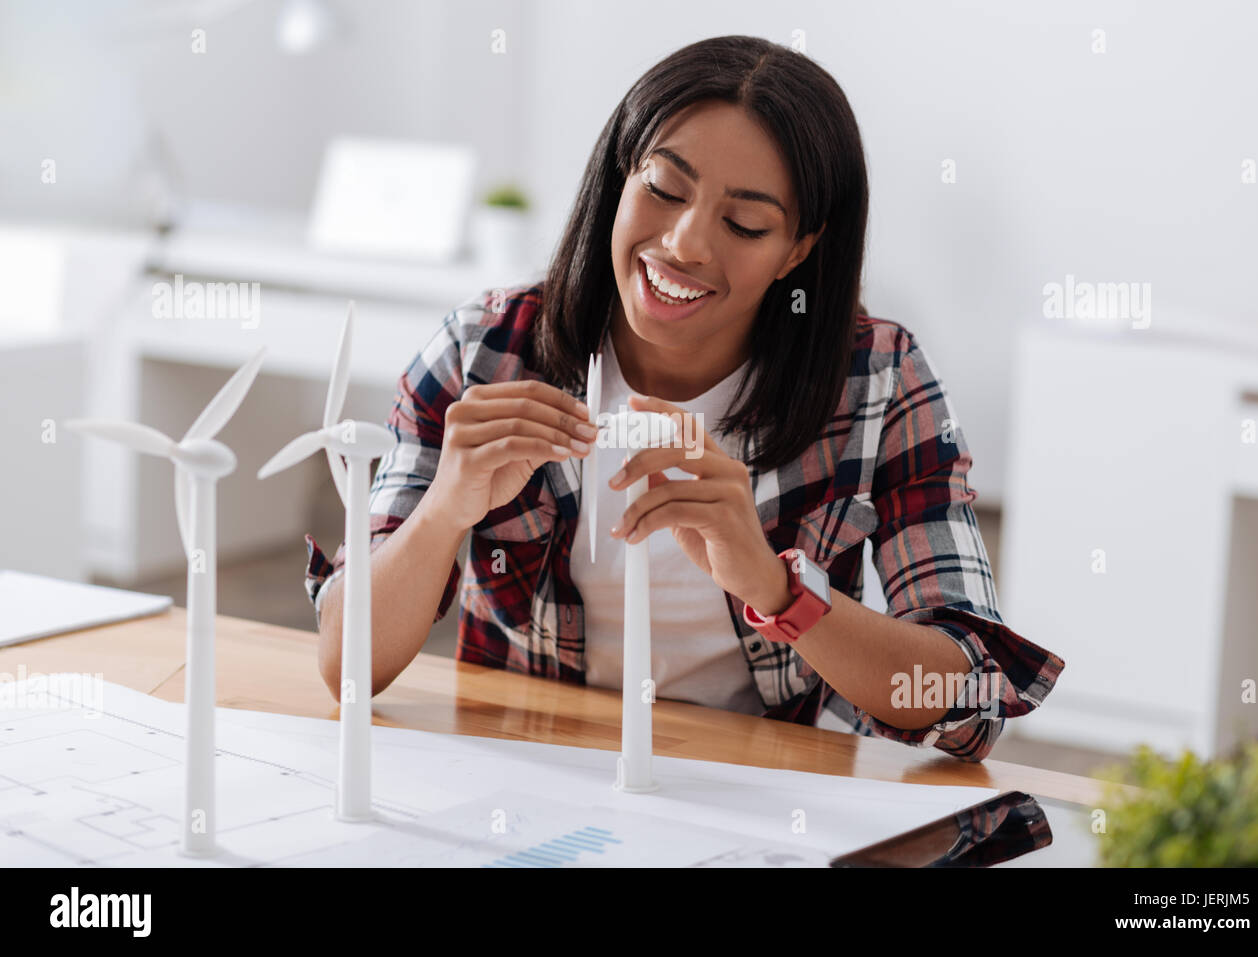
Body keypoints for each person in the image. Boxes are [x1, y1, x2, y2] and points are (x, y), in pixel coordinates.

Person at [305, 35, 1063, 763]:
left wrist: (779, 588)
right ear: (619, 177)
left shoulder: (878, 380)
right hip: (525, 779)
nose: (686, 244)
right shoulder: (486, 349)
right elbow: (348, 669)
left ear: (798, 250)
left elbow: (965, 698)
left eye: (745, 223)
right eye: (664, 189)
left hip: (764, 797)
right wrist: (444, 510)